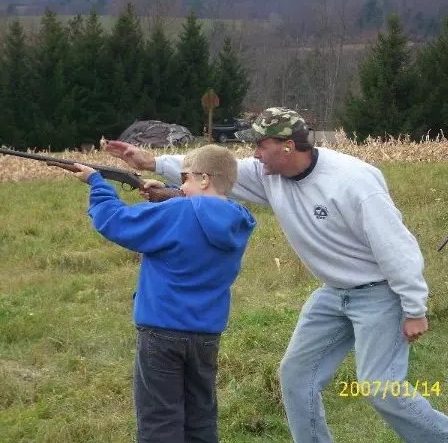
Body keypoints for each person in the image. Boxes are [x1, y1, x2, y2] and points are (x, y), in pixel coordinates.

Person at [104, 107, 448, 443]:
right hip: (334, 292)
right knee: (297, 377)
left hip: (379, 293)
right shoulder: (269, 174)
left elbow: (396, 247)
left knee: (380, 388)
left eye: (260, 147)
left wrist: (414, 307)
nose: (254, 155)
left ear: (287, 146)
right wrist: (148, 162)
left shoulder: (353, 181)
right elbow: (215, 171)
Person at [70, 144, 256, 443]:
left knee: (160, 422)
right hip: (206, 335)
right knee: (201, 417)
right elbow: (202, 209)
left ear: (205, 179)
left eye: (186, 179)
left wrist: (97, 184)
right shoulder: (239, 218)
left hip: (161, 333)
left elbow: (116, 222)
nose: (181, 186)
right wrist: (173, 191)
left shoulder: (178, 211)